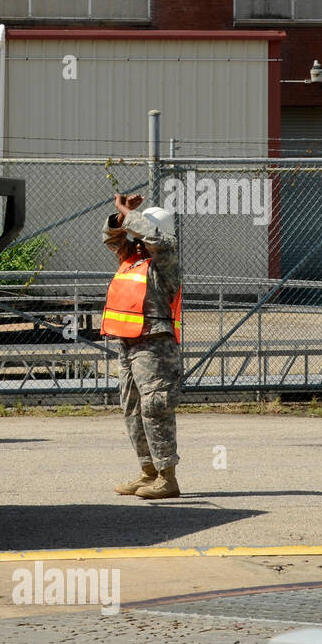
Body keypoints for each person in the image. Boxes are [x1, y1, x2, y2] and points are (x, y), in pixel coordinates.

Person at [101, 193, 183, 499]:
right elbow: (110, 239)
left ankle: (167, 477)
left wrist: (129, 214)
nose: (134, 241)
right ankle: (148, 472)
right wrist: (120, 217)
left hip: (154, 345)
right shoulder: (133, 259)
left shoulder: (165, 257)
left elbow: (155, 239)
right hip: (129, 343)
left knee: (155, 406)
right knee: (132, 408)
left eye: (140, 234)